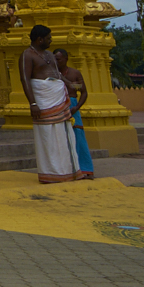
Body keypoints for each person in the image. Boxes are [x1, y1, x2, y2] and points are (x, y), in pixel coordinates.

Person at [20, 24, 82, 183]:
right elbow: (25, 79)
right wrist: (33, 104)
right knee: (47, 136)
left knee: (65, 134)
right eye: (48, 38)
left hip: (58, 96)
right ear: (39, 39)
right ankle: (51, 172)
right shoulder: (27, 55)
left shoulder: (49, 54)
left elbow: (58, 75)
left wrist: (70, 84)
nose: (51, 40)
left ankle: (68, 170)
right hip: (43, 99)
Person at [54, 49, 95, 180]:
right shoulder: (52, 74)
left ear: (66, 58)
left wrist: (76, 107)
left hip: (72, 107)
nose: (56, 61)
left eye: (58, 59)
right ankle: (65, 169)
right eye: (54, 59)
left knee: (78, 136)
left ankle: (85, 168)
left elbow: (83, 92)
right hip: (57, 106)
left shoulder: (74, 73)